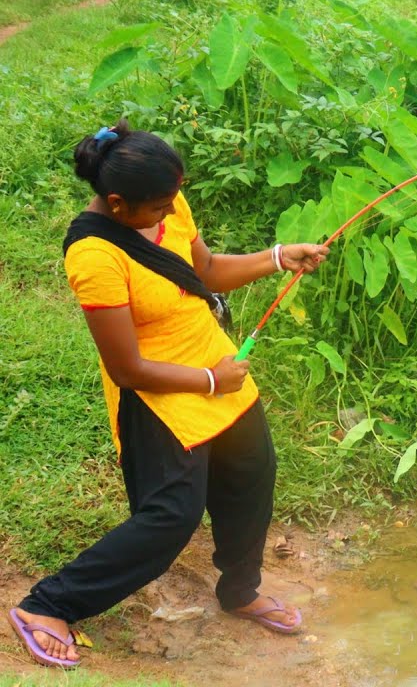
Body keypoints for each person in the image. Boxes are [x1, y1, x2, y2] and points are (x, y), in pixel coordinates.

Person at [6, 119, 329, 669]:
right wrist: (210, 381)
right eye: (158, 207)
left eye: (172, 200)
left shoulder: (166, 203)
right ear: (117, 203)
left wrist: (278, 257)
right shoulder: (94, 255)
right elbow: (127, 368)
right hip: (163, 391)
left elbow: (206, 270)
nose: (169, 212)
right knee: (170, 517)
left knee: (252, 476)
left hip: (218, 366)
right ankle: (47, 605)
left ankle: (240, 590)